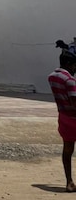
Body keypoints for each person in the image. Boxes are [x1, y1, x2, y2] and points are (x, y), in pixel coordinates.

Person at [49, 44, 76, 193]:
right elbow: (74, 102)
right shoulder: (70, 80)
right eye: (74, 65)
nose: (75, 69)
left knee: (67, 150)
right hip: (74, 118)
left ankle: (69, 181)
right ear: (68, 64)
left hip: (64, 117)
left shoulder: (52, 77)